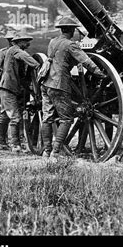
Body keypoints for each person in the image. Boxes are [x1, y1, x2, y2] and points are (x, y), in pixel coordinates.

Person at [41, 17, 107, 159]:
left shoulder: (53, 42)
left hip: (46, 83)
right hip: (59, 85)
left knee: (47, 118)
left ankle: (46, 151)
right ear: (71, 30)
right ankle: (56, 151)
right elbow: (86, 61)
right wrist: (101, 74)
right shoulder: (71, 45)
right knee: (66, 119)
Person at [0, 32, 40, 152]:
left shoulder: (11, 50)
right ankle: (15, 145)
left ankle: (1, 143)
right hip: (8, 88)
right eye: (26, 41)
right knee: (15, 117)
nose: (28, 43)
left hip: (7, 87)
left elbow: (22, 76)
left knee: (5, 115)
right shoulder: (16, 50)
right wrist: (39, 65)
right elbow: (29, 60)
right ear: (19, 41)